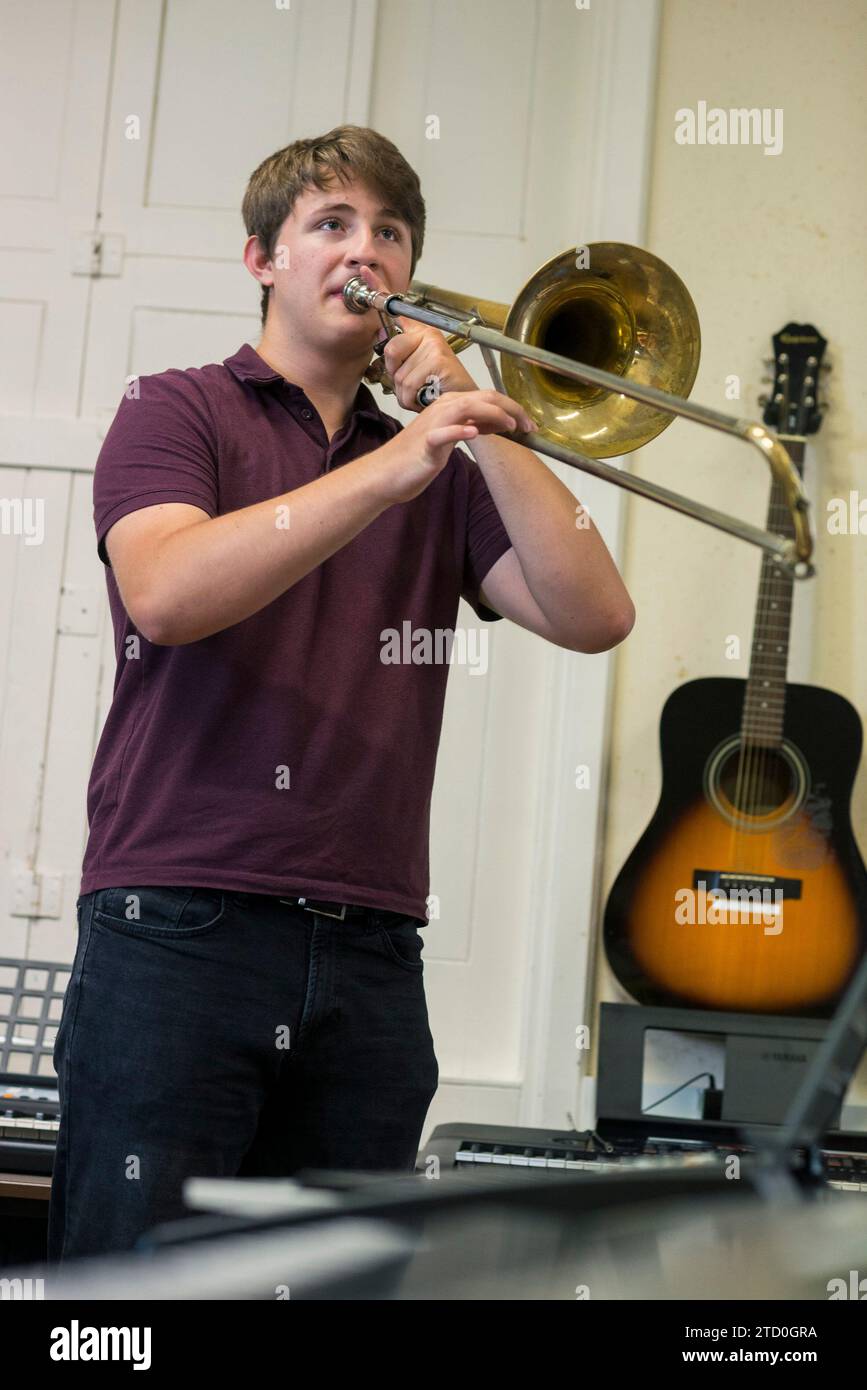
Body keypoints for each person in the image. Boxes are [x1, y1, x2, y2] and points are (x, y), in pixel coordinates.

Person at [48, 125, 635, 1261]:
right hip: (177, 927)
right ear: (262, 257)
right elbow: (168, 591)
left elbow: (595, 614)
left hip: (372, 952)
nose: (366, 251)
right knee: (121, 1309)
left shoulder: (438, 465)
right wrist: (395, 465)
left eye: (391, 233)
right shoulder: (175, 408)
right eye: (333, 225)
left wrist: (480, 418)